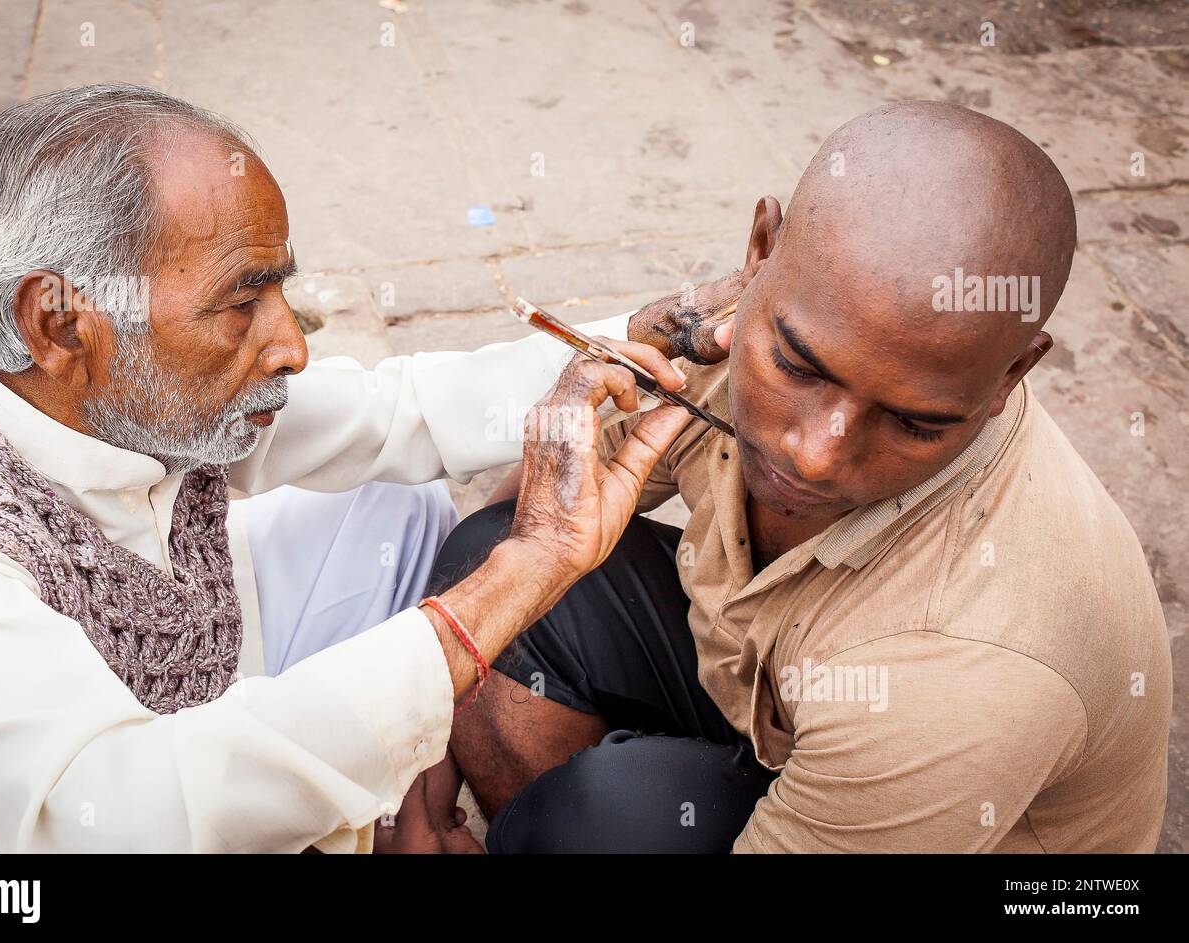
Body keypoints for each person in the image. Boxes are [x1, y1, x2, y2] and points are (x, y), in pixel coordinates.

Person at [0, 83, 692, 853]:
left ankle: (390, 801)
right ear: (60, 321)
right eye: (241, 303)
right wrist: (518, 574)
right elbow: (127, 819)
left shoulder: (110, 387)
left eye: (278, 290)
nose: (292, 346)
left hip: (185, 697)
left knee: (392, 507)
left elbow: (394, 411)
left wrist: (638, 338)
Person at [440, 101, 1172, 853]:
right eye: (796, 367)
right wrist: (420, 744)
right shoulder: (728, 330)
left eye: (913, 423)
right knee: (495, 559)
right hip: (785, 716)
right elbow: (540, 514)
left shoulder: (963, 673)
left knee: (595, 822)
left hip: (921, 807)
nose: (815, 454)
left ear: (1010, 376)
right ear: (760, 254)